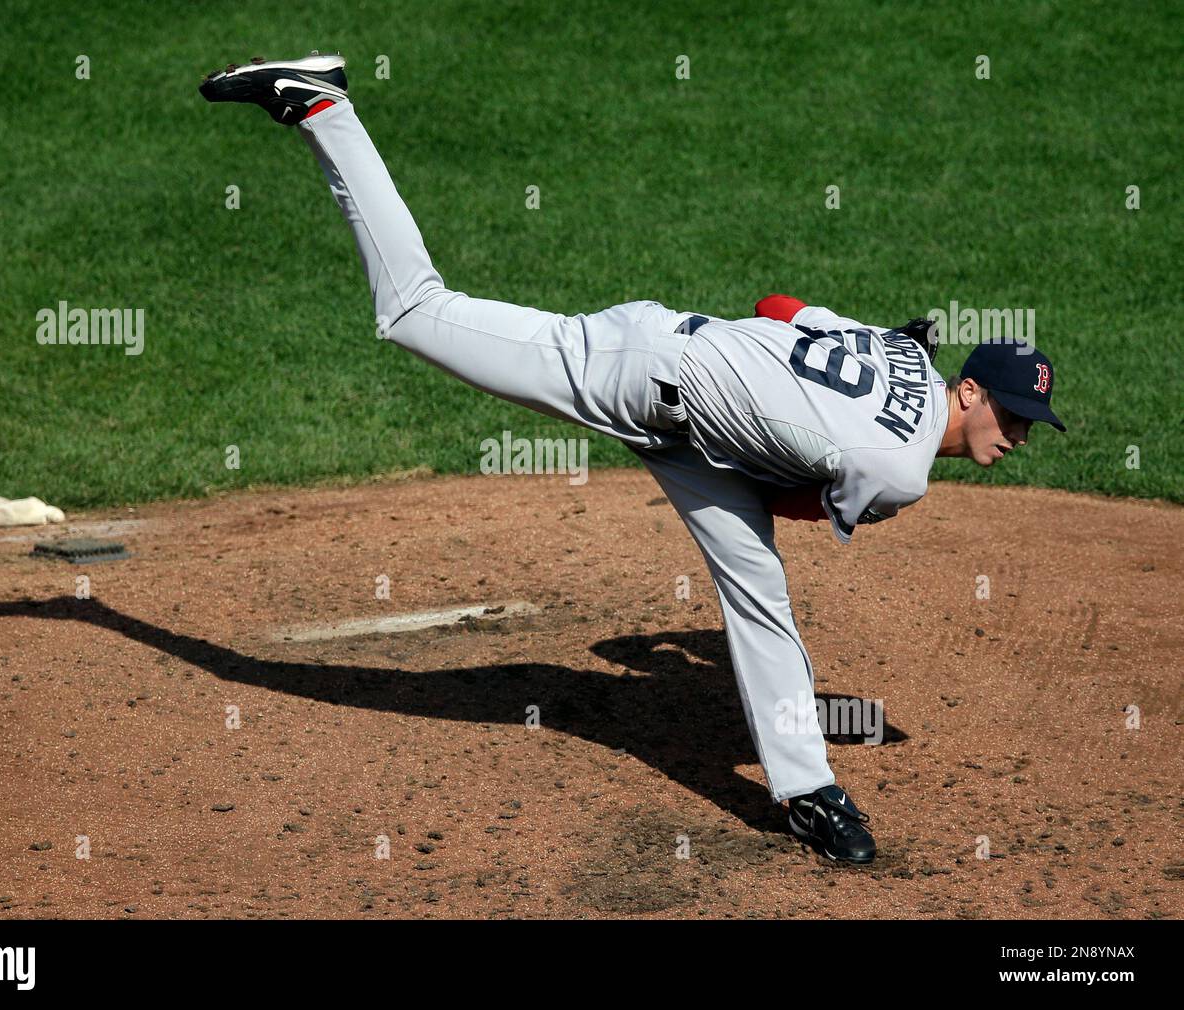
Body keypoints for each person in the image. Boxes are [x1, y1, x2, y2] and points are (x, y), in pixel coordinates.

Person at [199, 51, 1065, 864]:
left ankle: (810, 792)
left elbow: (777, 303)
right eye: (1015, 414)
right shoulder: (904, 475)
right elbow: (798, 501)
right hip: (636, 375)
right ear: (969, 391)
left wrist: (857, 368)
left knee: (760, 596)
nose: (1020, 435)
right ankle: (323, 105)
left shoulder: (903, 352)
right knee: (416, 309)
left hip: (694, 420)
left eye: (1032, 424)